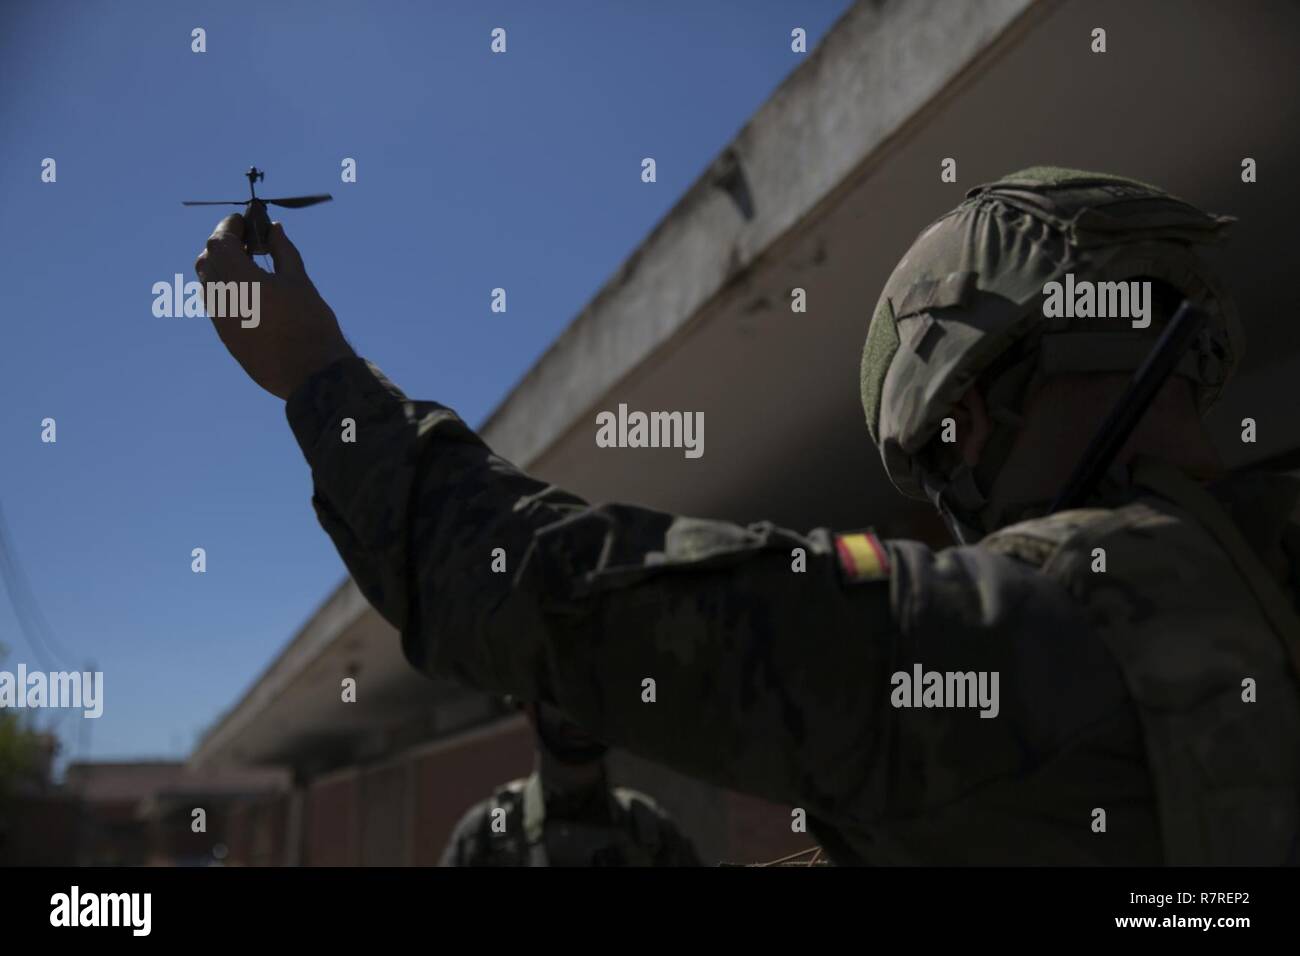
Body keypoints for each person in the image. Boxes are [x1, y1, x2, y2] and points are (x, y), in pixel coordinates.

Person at [195, 166, 1300, 865]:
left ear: (971, 410)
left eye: (944, 454)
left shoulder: (1037, 629)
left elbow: (543, 588)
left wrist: (317, 374)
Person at [439, 701, 700, 866]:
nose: (577, 713)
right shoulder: (487, 833)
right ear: (531, 707)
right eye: (562, 697)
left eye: (590, 696)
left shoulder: (650, 833)